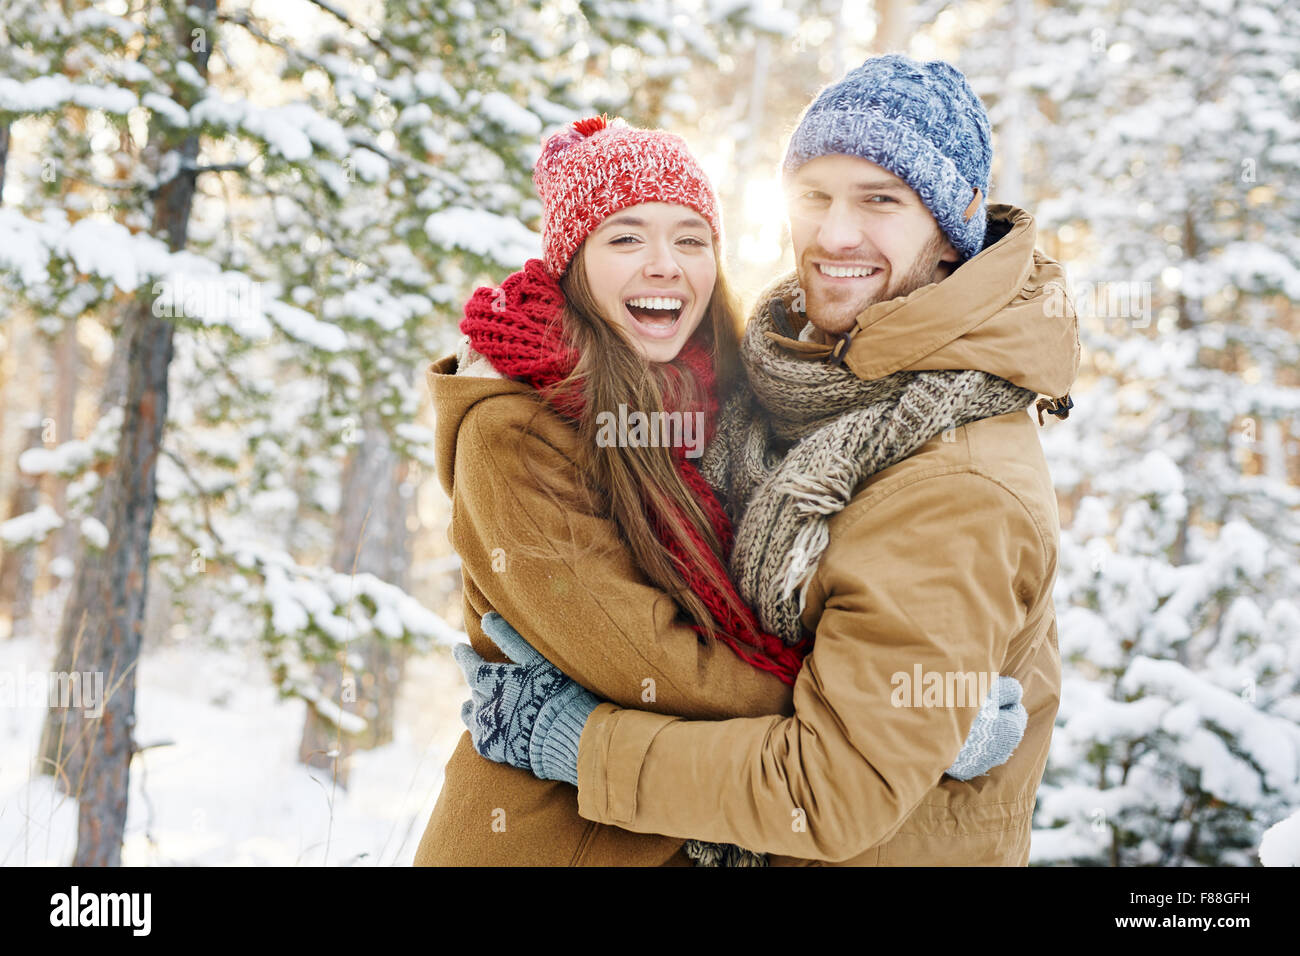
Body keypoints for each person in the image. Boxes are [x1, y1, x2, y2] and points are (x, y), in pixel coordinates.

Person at [458, 53, 1080, 866]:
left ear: (955, 225)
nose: (834, 233)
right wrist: (916, 722)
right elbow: (656, 642)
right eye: (814, 195)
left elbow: (832, 783)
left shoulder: (956, 479)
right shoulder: (784, 381)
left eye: (880, 200)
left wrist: (908, 725)